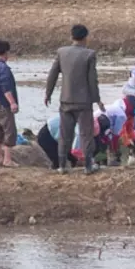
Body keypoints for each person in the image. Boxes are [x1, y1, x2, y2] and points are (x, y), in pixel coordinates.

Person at [44, 24, 104, 174]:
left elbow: (53, 74)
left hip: (65, 100)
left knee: (65, 134)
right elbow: (92, 80)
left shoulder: (61, 52)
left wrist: (48, 93)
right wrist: (97, 100)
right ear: (85, 38)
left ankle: (62, 166)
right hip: (84, 102)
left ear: (71, 37)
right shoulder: (89, 54)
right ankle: (88, 166)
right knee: (86, 133)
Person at [0, 39, 20, 167]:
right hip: (3, 104)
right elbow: (6, 88)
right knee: (9, 130)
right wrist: (12, 103)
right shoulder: (4, 69)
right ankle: (7, 159)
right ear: (6, 52)